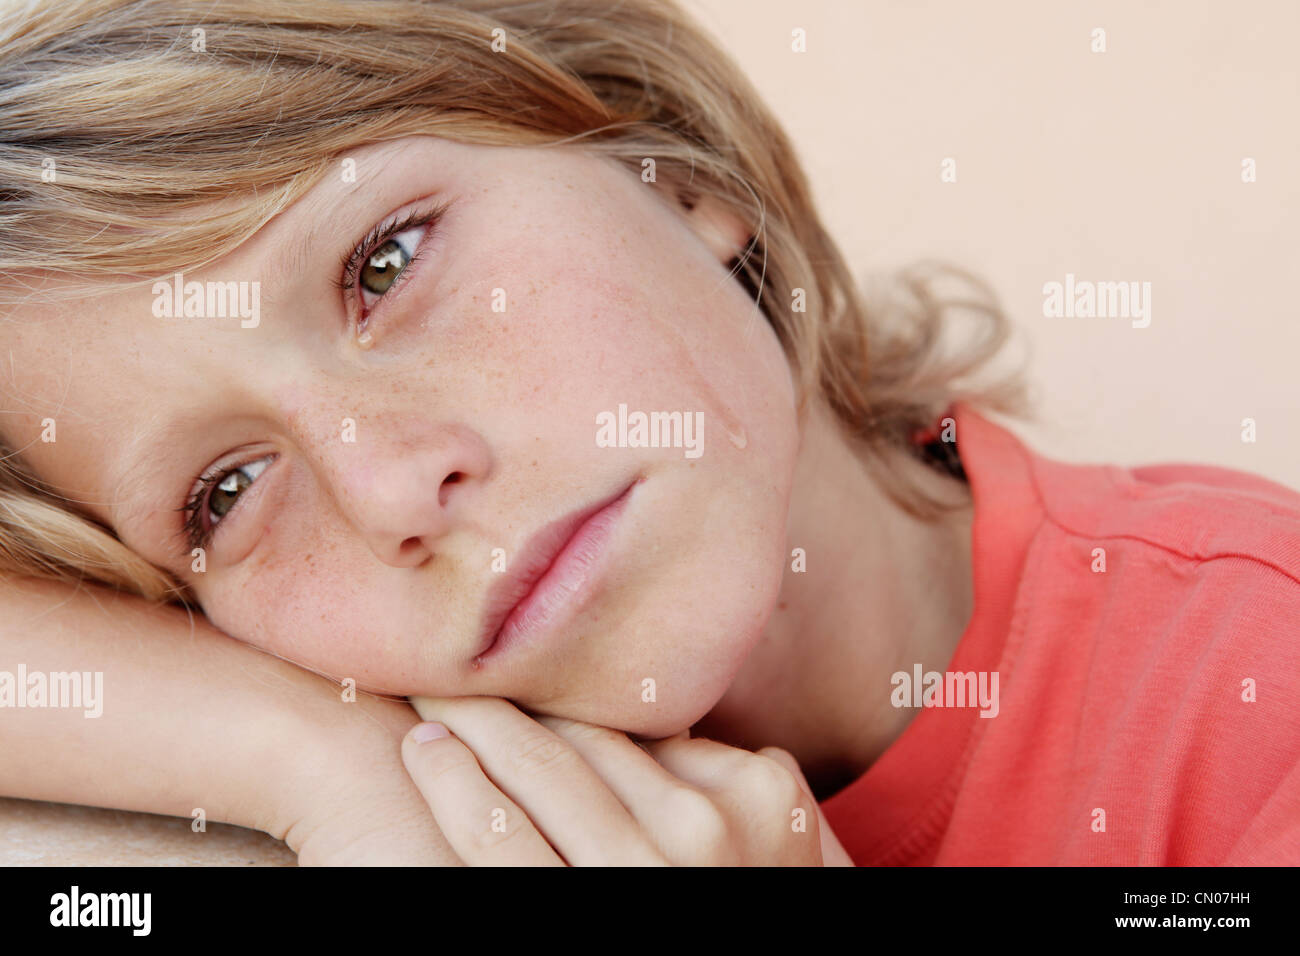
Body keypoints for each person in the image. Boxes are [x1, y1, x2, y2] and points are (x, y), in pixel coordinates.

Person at [1, 0, 1295, 865]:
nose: (389, 484)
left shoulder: (1257, 692)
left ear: (672, 169)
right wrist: (305, 757)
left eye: (385, 263)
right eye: (224, 492)